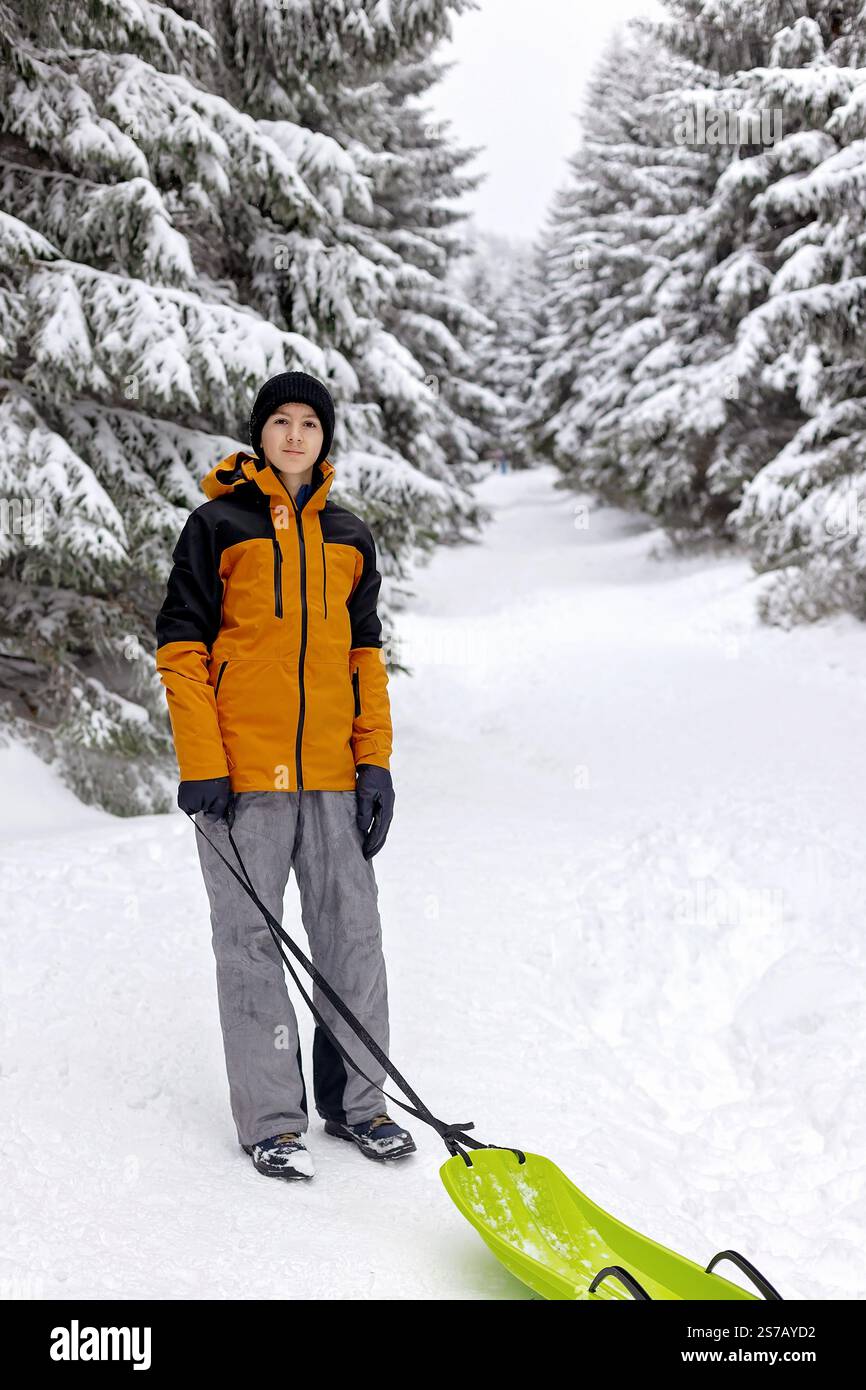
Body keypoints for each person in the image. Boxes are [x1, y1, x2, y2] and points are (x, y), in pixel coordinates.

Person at [154, 370, 415, 1182]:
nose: (297, 435)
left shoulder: (349, 536)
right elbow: (182, 653)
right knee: (251, 947)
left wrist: (375, 762)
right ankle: (272, 1120)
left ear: (325, 438)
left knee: (354, 943)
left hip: (335, 779)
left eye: (311, 423)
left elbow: (364, 658)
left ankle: (359, 1107)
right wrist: (203, 766)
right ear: (260, 433)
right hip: (243, 784)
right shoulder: (217, 526)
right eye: (282, 421)